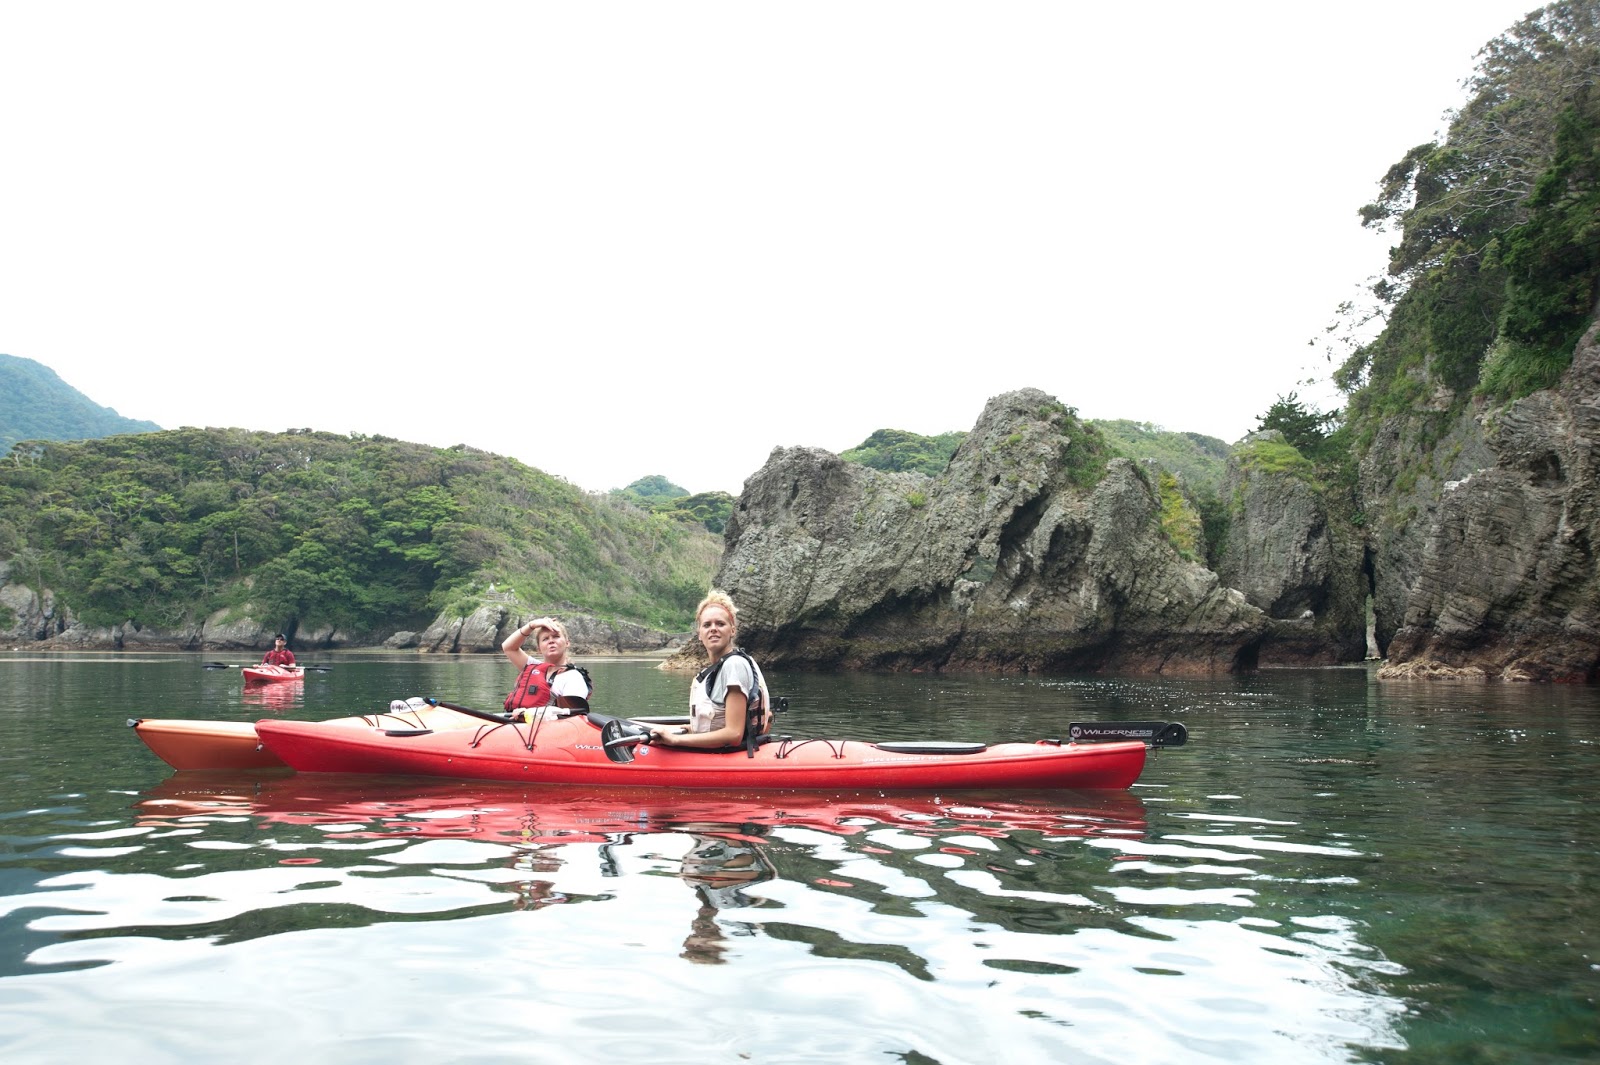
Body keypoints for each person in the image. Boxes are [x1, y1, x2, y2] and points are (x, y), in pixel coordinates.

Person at [649, 590, 770, 750]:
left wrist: (674, 740)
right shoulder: (717, 669)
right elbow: (718, 723)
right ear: (699, 634)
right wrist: (690, 729)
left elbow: (734, 734)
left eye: (720, 624)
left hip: (728, 756)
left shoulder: (734, 665)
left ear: (732, 630)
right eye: (707, 625)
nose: (713, 629)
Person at [501, 615, 591, 712]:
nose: (551, 641)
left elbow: (572, 713)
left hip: (552, 725)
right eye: (545, 639)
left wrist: (529, 714)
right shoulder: (532, 666)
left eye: (556, 636)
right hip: (521, 723)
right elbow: (508, 647)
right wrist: (531, 626)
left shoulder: (573, 677)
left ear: (567, 643)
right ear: (539, 649)